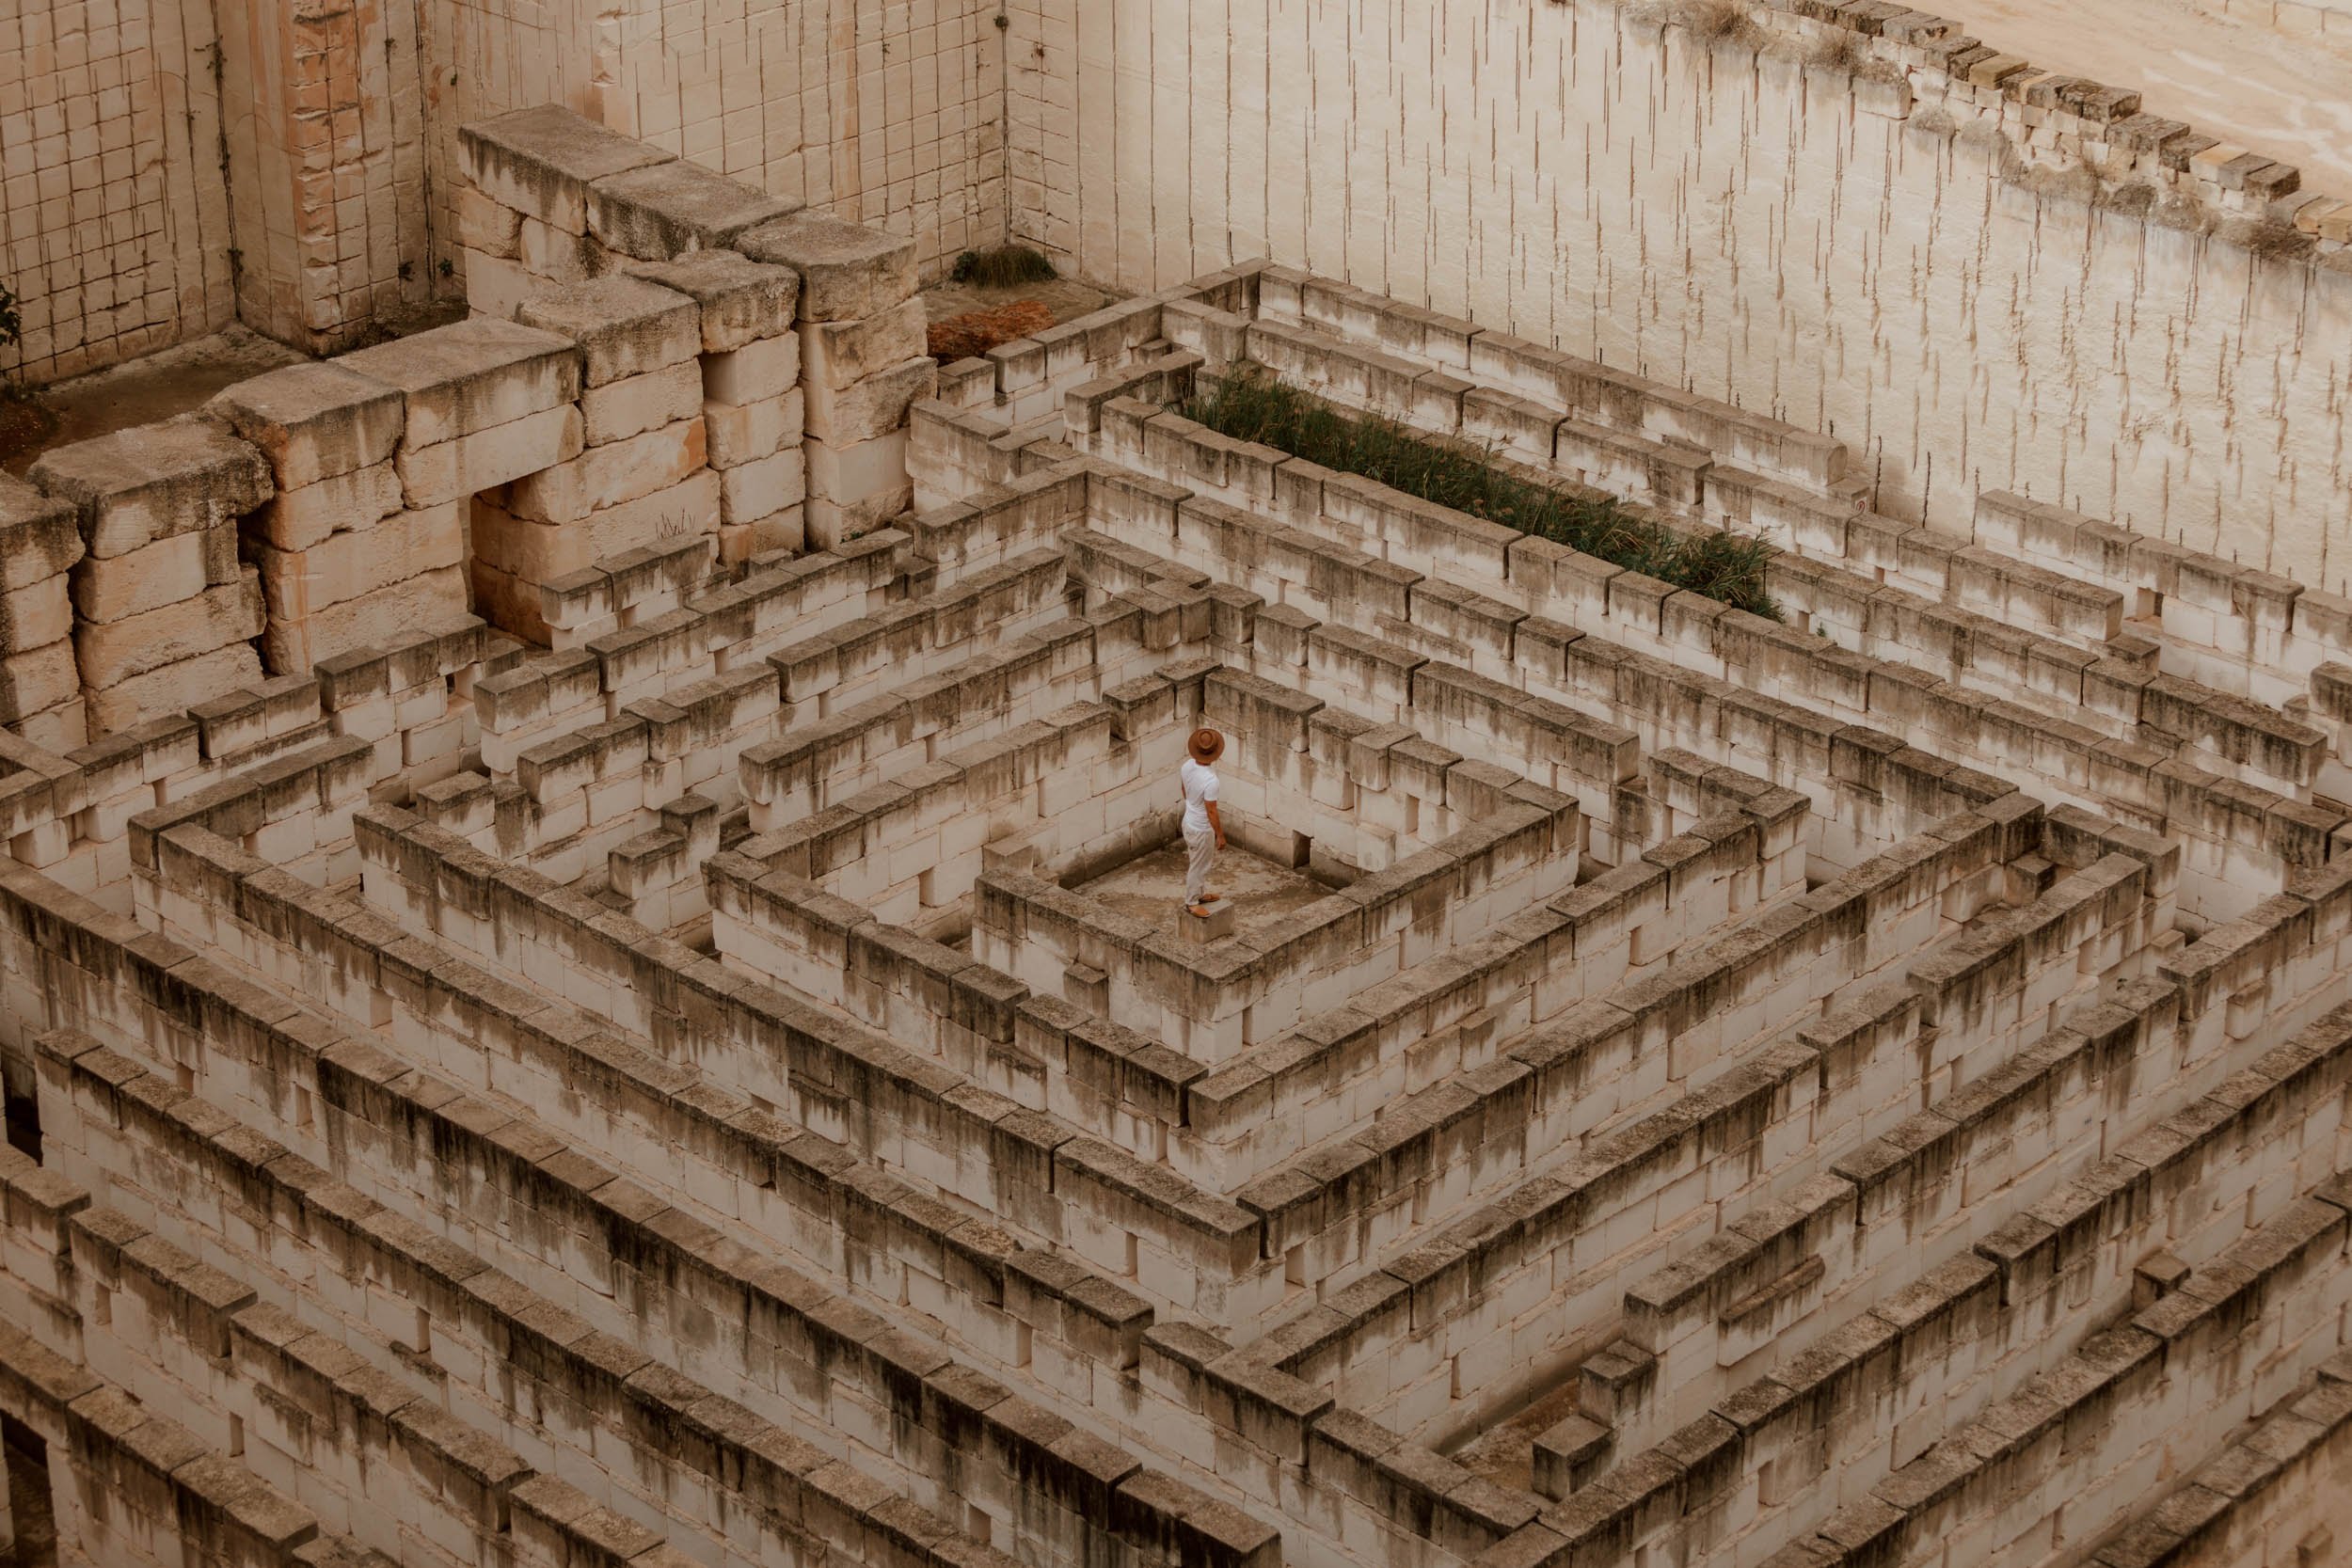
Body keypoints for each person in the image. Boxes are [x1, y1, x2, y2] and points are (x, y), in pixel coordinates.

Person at [1181, 727, 1226, 916]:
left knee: (1196, 860)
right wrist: (1220, 835)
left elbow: (1184, 790)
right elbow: (1211, 810)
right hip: (1201, 828)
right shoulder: (1211, 780)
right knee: (1199, 866)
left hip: (1189, 820)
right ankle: (1191, 902)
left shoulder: (1187, 766)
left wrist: (1192, 805)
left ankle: (1199, 893)